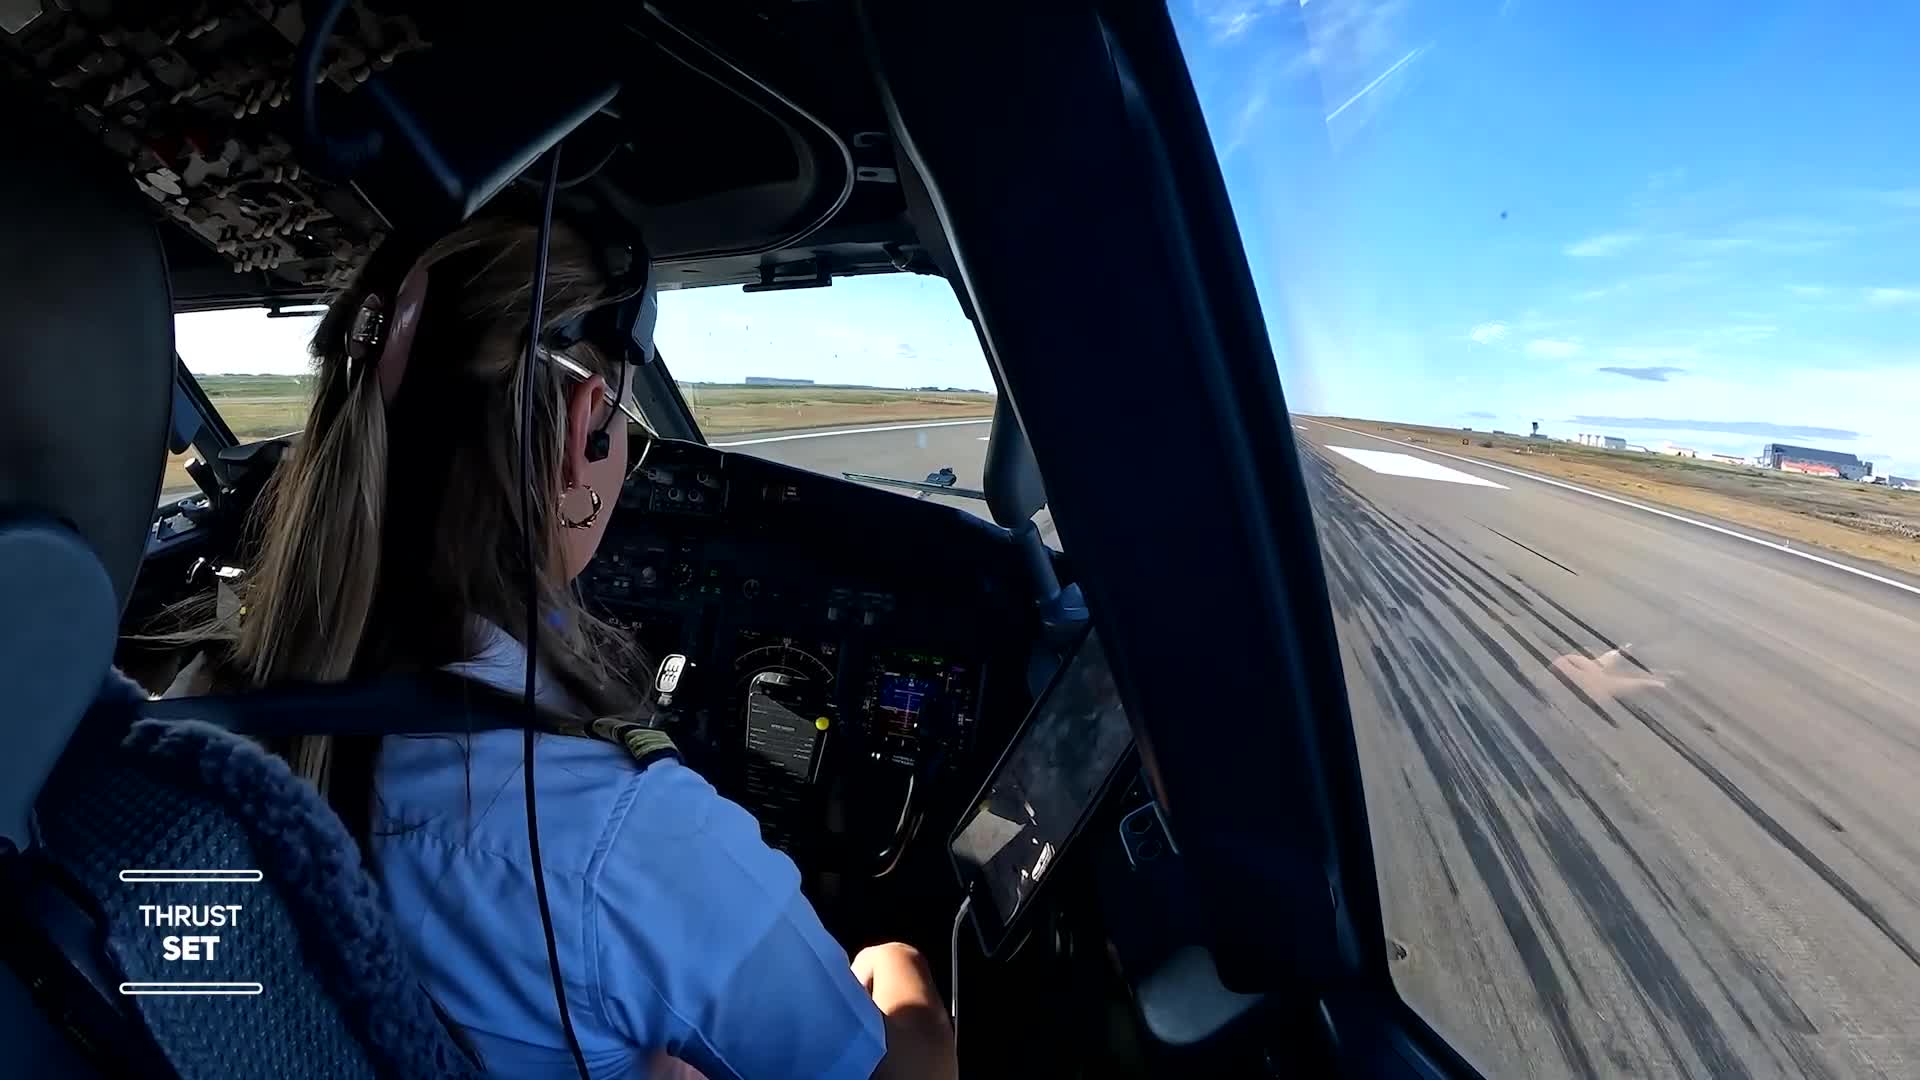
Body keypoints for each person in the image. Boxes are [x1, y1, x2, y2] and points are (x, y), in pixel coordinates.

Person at [170, 210, 956, 1079]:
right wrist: (901, 970)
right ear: (588, 421)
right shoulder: (617, 833)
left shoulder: (192, 717)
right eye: (629, 428)